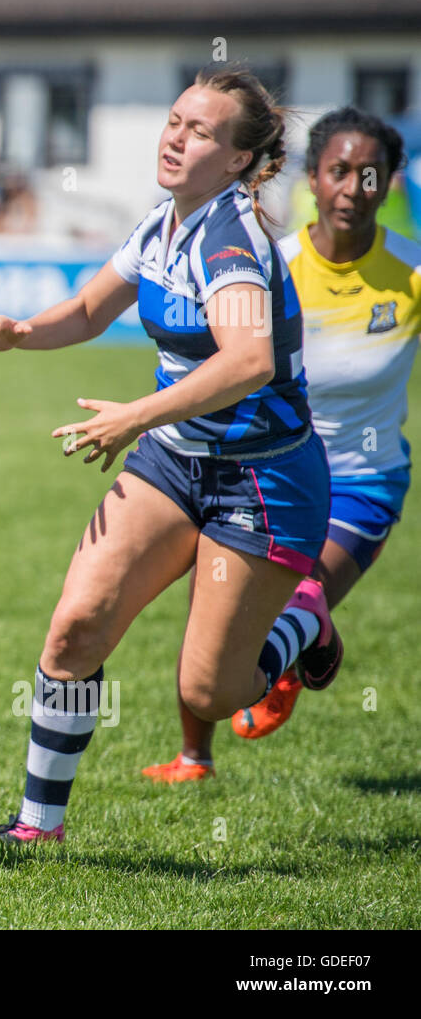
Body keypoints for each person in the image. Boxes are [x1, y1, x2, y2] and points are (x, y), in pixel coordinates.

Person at [0, 65, 328, 847]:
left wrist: (135, 415)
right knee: (75, 629)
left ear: (237, 159)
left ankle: (304, 621)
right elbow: (89, 309)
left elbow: (248, 361)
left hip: (262, 479)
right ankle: (38, 828)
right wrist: (23, 331)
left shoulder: (230, 238)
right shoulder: (165, 221)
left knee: (212, 690)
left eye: (200, 131)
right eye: (174, 121)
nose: (175, 138)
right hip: (173, 461)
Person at [143, 107, 419, 779]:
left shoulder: (411, 271)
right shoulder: (271, 265)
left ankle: (294, 645)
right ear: (312, 178)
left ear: (391, 182)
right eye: (338, 171)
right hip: (267, 472)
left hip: (360, 482)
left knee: (301, 594)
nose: (352, 188)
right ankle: (194, 755)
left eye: (370, 175)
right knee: (211, 600)